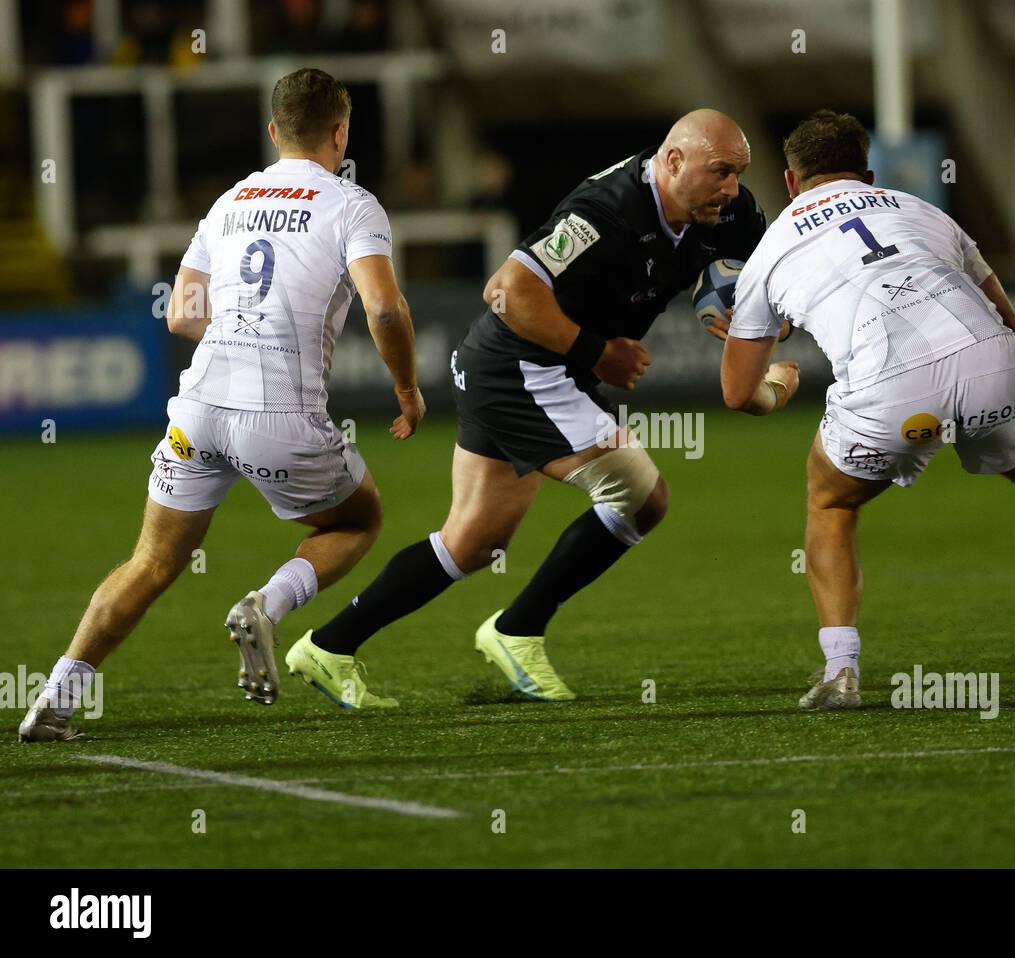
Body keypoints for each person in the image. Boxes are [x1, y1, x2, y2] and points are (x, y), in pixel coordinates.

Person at [293, 109, 773, 702]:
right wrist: (597, 353)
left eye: (739, 173)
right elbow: (504, 290)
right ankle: (518, 628)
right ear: (673, 162)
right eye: (721, 172)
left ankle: (328, 646)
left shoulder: (726, 210)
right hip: (520, 369)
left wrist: (757, 321)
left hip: (525, 369)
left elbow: (773, 266)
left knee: (470, 543)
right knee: (642, 496)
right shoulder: (608, 210)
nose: (732, 188)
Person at [19, 68, 424, 741]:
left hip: (199, 408)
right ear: (340, 133)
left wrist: (242, 328)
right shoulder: (352, 204)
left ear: (273, 131)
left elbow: (182, 313)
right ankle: (267, 602)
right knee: (357, 520)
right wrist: (407, 391)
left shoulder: (230, 201)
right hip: (279, 417)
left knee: (149, 561)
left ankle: (53, 702)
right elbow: (385, 306)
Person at [720, 110, 1015, 711]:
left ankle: (841, 671)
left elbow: (738, 396)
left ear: (791, 182)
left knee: (830, 501)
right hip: (992, 367)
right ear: (869, 173)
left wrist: (779, 382)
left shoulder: (769, 250)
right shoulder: (922, 211)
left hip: (891, 392)